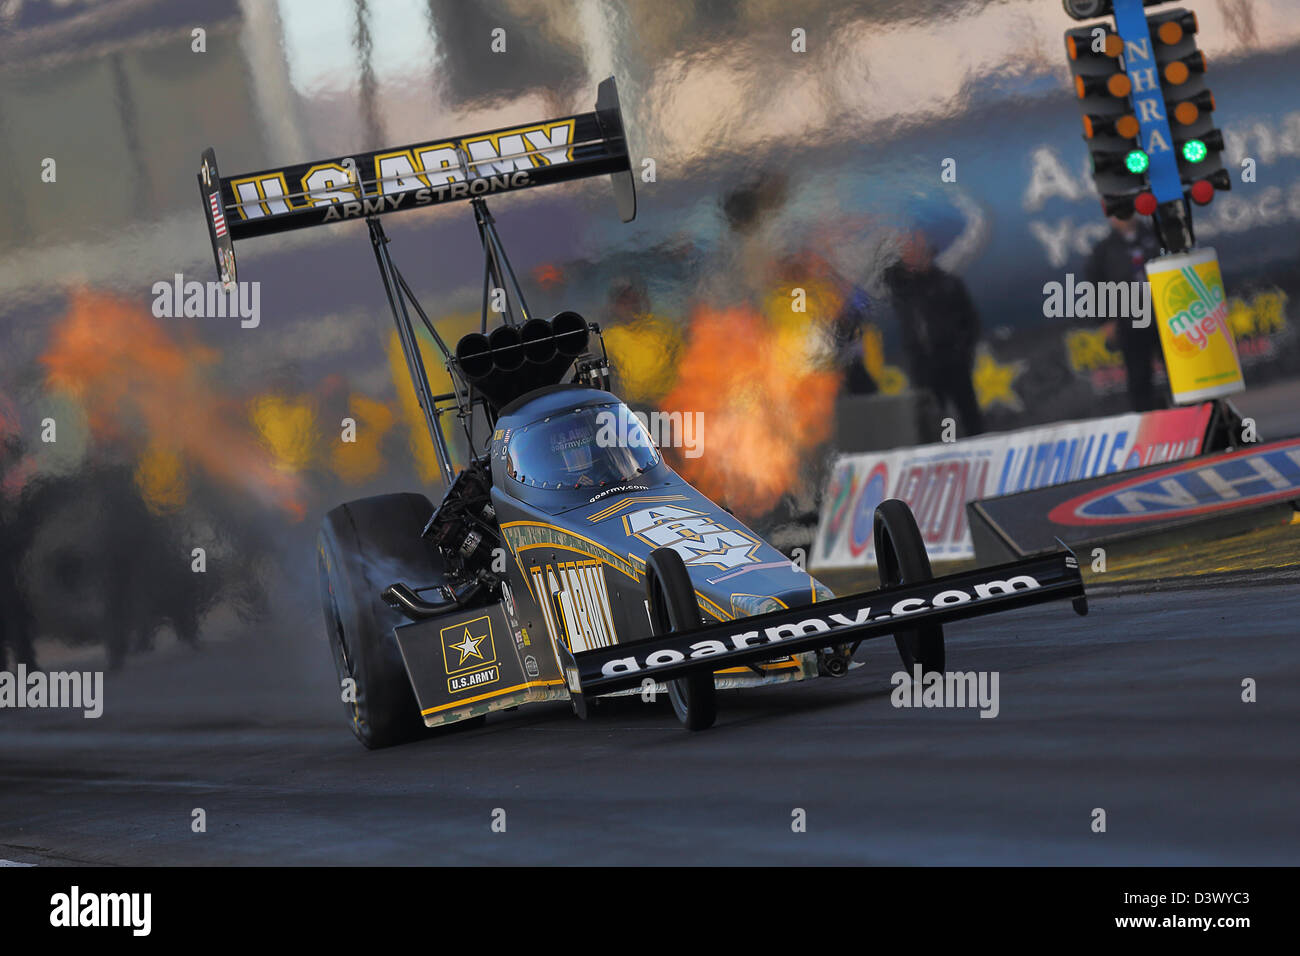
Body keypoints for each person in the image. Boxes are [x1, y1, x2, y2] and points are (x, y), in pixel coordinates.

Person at [882, 230, 984, 435]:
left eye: (919, 252)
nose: (915, 257)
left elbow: (971, 322)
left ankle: (979, 447)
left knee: (967, 411)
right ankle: (937, 456)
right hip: (923, 365)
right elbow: (886, 272)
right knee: (929, 418)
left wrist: (962, 351)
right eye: (909, 254)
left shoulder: (948, 283)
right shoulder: (903, 287)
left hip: (953, 361)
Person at [1085, 214, 1164, 412]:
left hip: (1165, 313)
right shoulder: (1104, 249)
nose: (1122, 217)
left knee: (1179, 365)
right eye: (1117, 213)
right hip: (1130, 319)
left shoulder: (1157, 236)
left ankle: (1193, 409)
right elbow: (1095, 287)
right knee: (1138, 374)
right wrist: (1105, 320)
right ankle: (1145, 417)